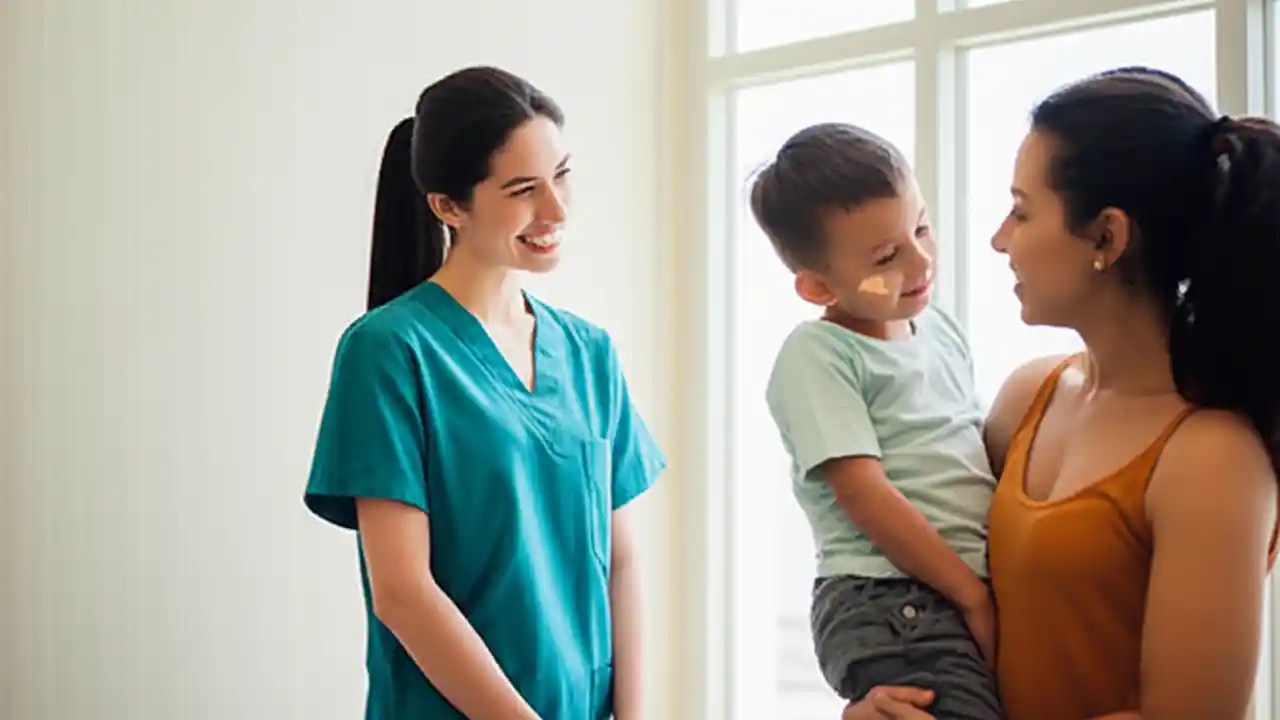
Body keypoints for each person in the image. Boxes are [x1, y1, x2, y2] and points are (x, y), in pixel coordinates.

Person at [845, 66, 1280, 720]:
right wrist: (877, 704)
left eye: (1022, 211)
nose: (999, 239)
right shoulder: (1027, 397)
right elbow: (939, 601)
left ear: (1107, 236)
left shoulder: (1212, 459)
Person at [303, 66, 666, 720]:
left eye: (562, 174)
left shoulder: (590, 354)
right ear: (448, 206)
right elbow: (403, 592)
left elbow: (625, 559)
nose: (555, 209)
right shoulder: (388, 351)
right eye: (523, 189)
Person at [750, 123, 1001, 719]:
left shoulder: (939, 330)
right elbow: (865, 495)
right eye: (887, 257)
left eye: (921, 228)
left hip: (947, 584)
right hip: (886, 595)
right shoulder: (820, 356)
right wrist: (971, 596)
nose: (921, 260)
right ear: (817, 286)